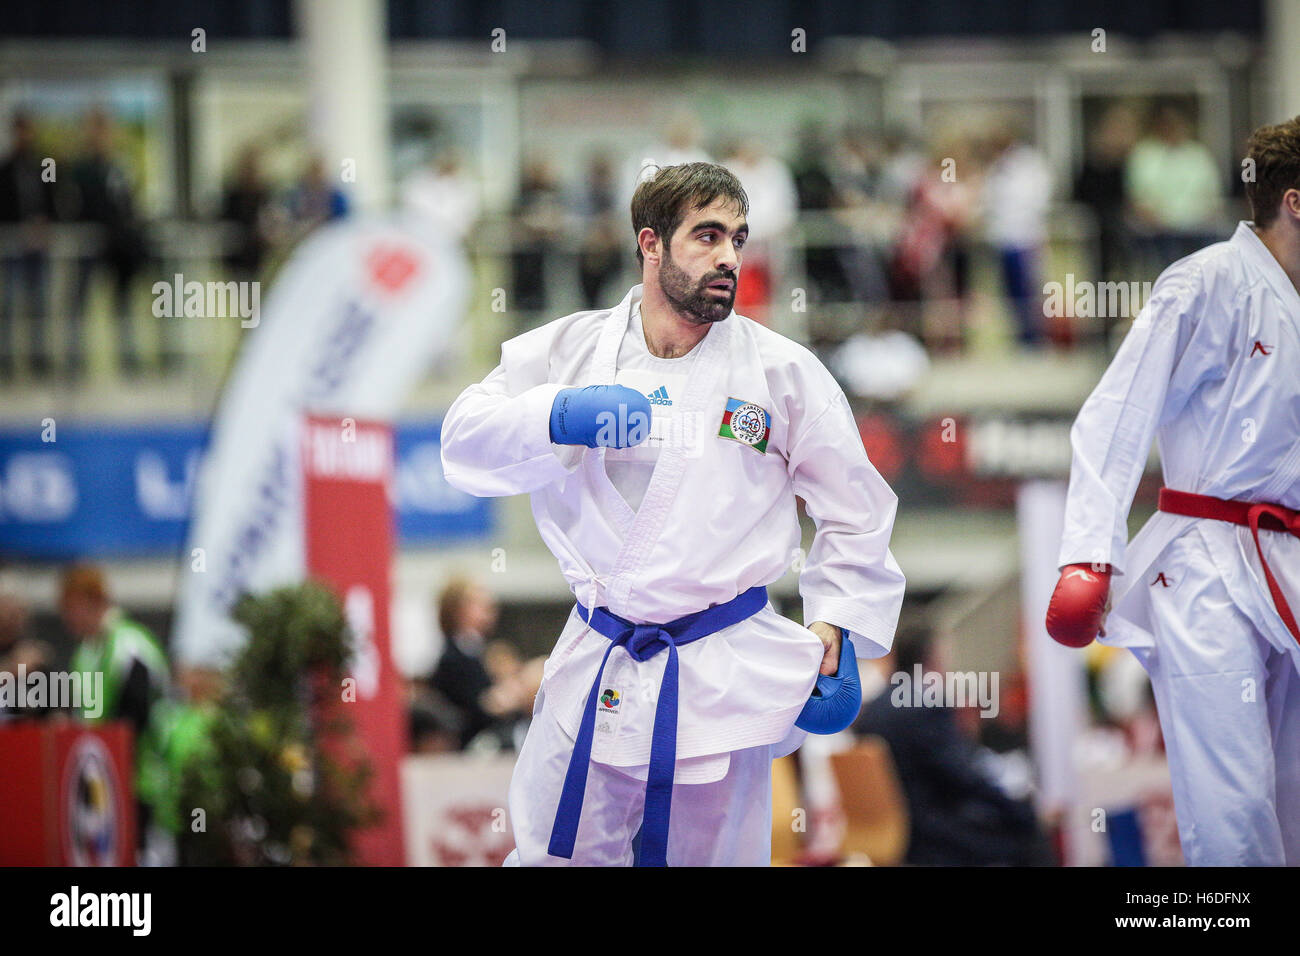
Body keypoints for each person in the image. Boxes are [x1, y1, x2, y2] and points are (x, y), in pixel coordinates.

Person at [441, 161, 906, 866]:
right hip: (599, 660)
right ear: (651, 244)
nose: (728, 257)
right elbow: (462, 443)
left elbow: (857, 508)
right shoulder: (571, 352)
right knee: (552, 857)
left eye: (739, 239)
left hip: (724, 664)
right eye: (707, 235)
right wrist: (557, 415)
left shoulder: (781, 373)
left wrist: (836, 617)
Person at [1046, 116, 1300, 865]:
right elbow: (1115, 415)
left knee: (1288, 805)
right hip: (1208, 567)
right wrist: (1089, 553)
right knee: (1235, 808)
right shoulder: (1207, 282)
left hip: (1289, 562)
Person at [854, 625, 1049, 865]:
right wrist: (1020, 811)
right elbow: (962, 777)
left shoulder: (870, 712)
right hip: (932, 835)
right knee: (1029, 834)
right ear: (932, 655)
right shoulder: (924, 705)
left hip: (891, 830)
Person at [61, 564, 170, 852]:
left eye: (72, 609)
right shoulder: (84, 653)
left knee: (143, 853)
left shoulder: (129, 643)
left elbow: (139, 711)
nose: (68, 619)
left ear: (92, 602)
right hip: (101, 777)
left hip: (143, 777)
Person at [0, 111, 58, 379]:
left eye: (28, 130)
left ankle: (39, 359)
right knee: (9, 304)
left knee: (40, 304)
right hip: (13, 247)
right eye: (20, 131)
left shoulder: (44, 165)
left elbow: (53, 200)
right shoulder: (6, 168)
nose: (25, 136)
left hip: (39, 248)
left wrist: (44, 224)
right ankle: (7, 361)